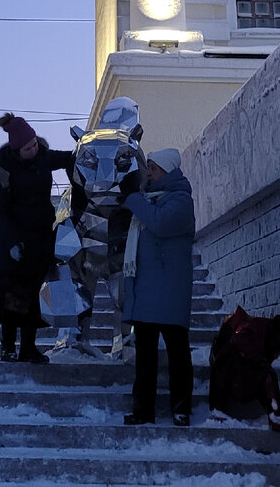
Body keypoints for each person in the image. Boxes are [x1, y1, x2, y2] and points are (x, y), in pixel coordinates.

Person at [0, 112, 74, 364]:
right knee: (12, 298)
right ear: (16, 149)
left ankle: (28, 348)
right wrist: (12, 243)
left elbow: (70, 158)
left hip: (39, 239)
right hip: (13, 243)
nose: (33, 150)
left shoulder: (43, 156)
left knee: (35, 295)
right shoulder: (4, 171)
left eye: (35, 144)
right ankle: (7, 347)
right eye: (28, 148)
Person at [120, 147, 196, 426]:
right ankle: (143, 409)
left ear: (166, 170)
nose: (148, 173)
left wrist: (133, 200)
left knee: (177, 351)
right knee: (145, 356)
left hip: (170, 290)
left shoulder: (180, 200)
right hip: (148, 289)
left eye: (152, 168)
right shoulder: (148, 199)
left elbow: (161, 224)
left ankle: (181, 408)